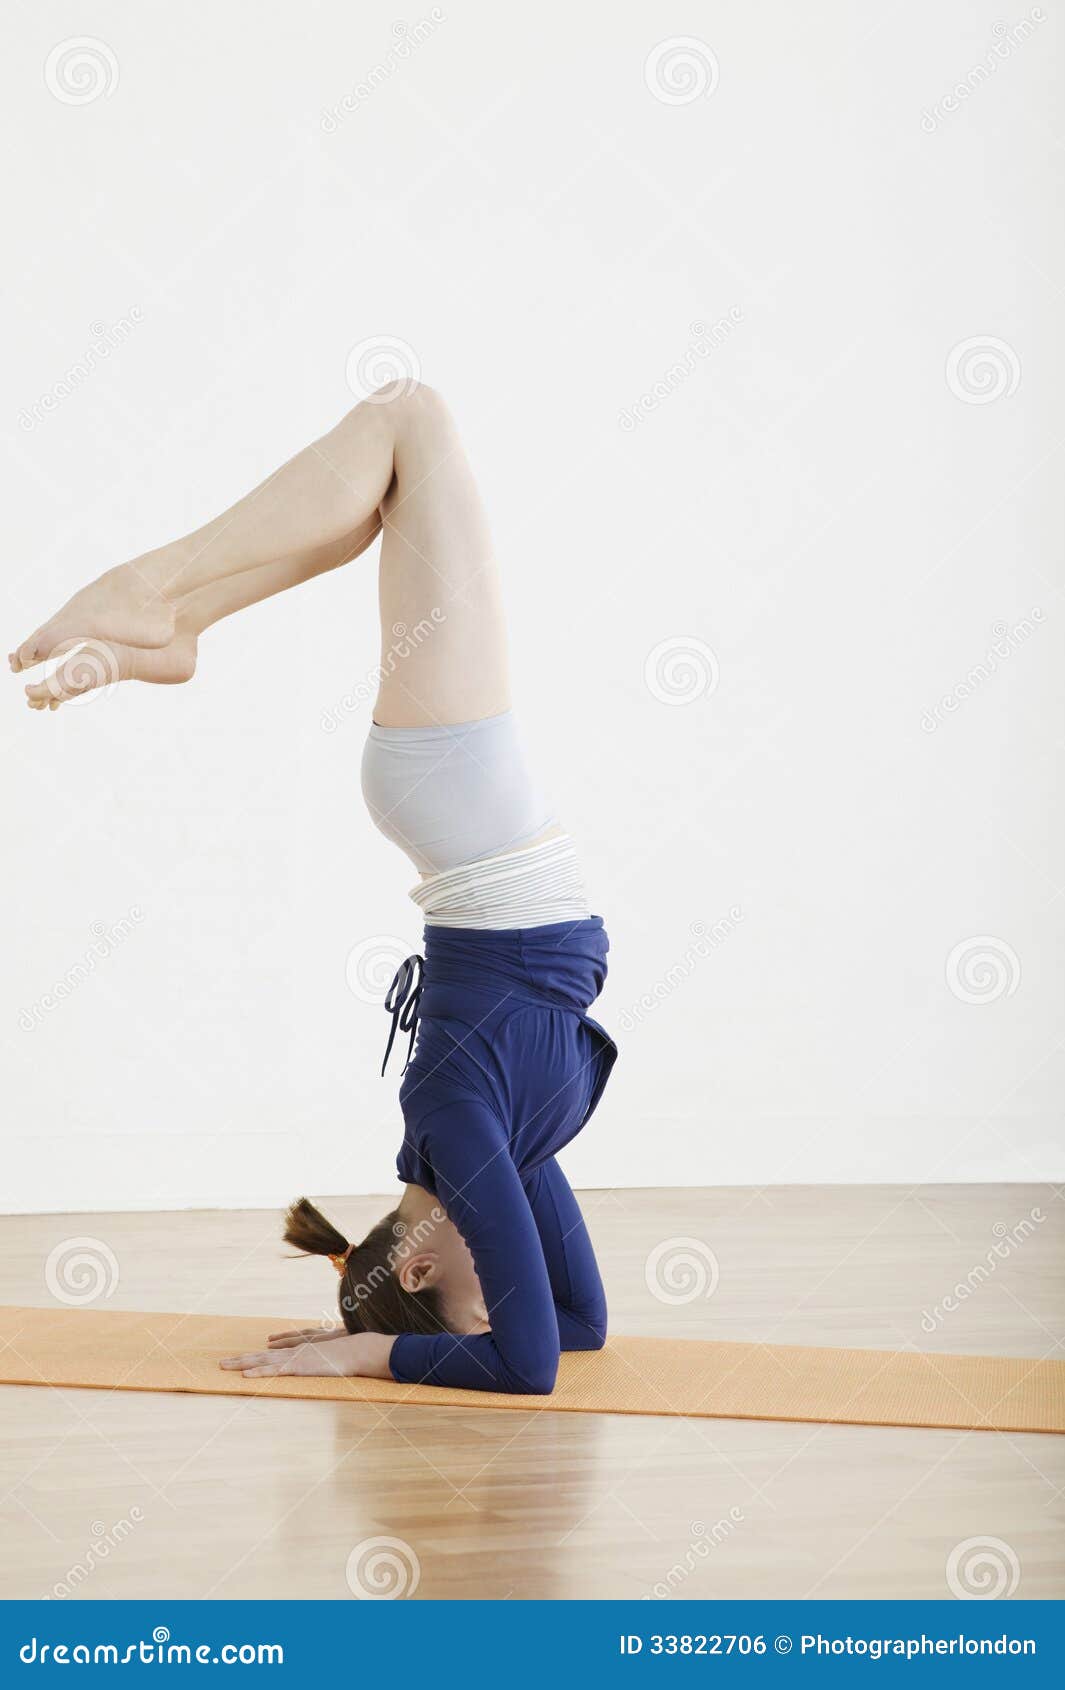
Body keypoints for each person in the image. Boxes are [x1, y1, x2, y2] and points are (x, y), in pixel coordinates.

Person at [11, 380, 616, 1394]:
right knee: (392, 480)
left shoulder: (466, 1130)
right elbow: (577, 1328)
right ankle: (179, 618)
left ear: (419, 1262)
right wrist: (382, 1327)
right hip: (459, 818)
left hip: (463, 803)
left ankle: (152, 588)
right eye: (484, 1314)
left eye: (477, 1299)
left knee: (410, 420)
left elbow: (529, 1361)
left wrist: (374, 1348)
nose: (503, 1300)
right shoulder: (490, 1149)